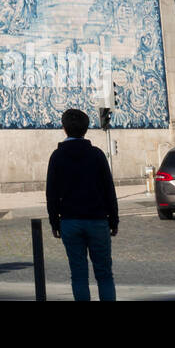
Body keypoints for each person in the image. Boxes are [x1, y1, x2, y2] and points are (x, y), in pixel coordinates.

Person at [45, 107, 118, 301]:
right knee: (104, 275)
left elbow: (51, 194)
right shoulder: (97, 155)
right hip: (97, 220)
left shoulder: (57, 156)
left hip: (70, 221)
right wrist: (114, 220)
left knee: (78, 275)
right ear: (86, 129)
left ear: (64, 128)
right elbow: (109, 189)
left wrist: (54, 222)